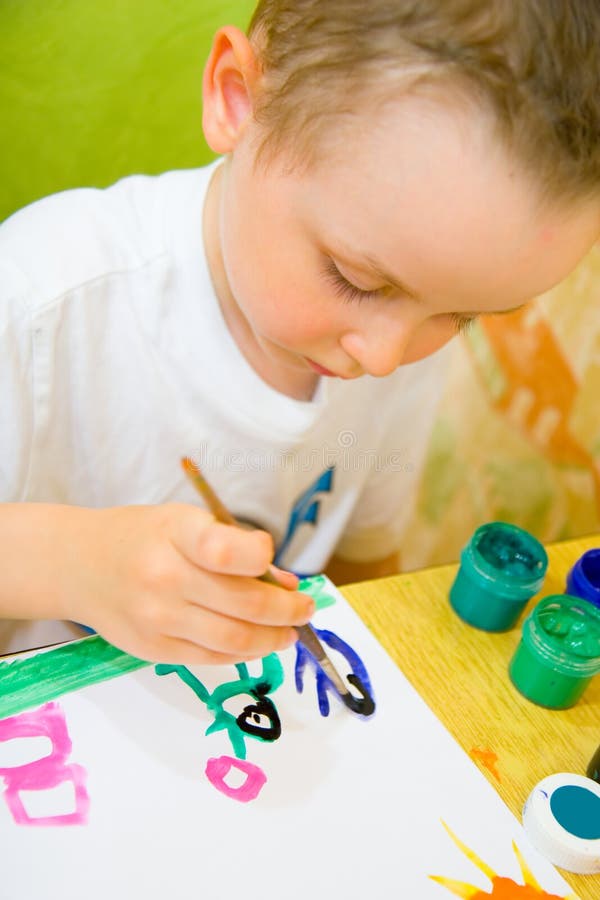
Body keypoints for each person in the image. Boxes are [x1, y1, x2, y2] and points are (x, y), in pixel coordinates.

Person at [1, 0, 599, 664]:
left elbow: (366, 566)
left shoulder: (404, 334)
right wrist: (70, 562)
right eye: (353, 279)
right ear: (237, 99)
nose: (385, 357)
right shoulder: (37, 305)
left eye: (461, 317)